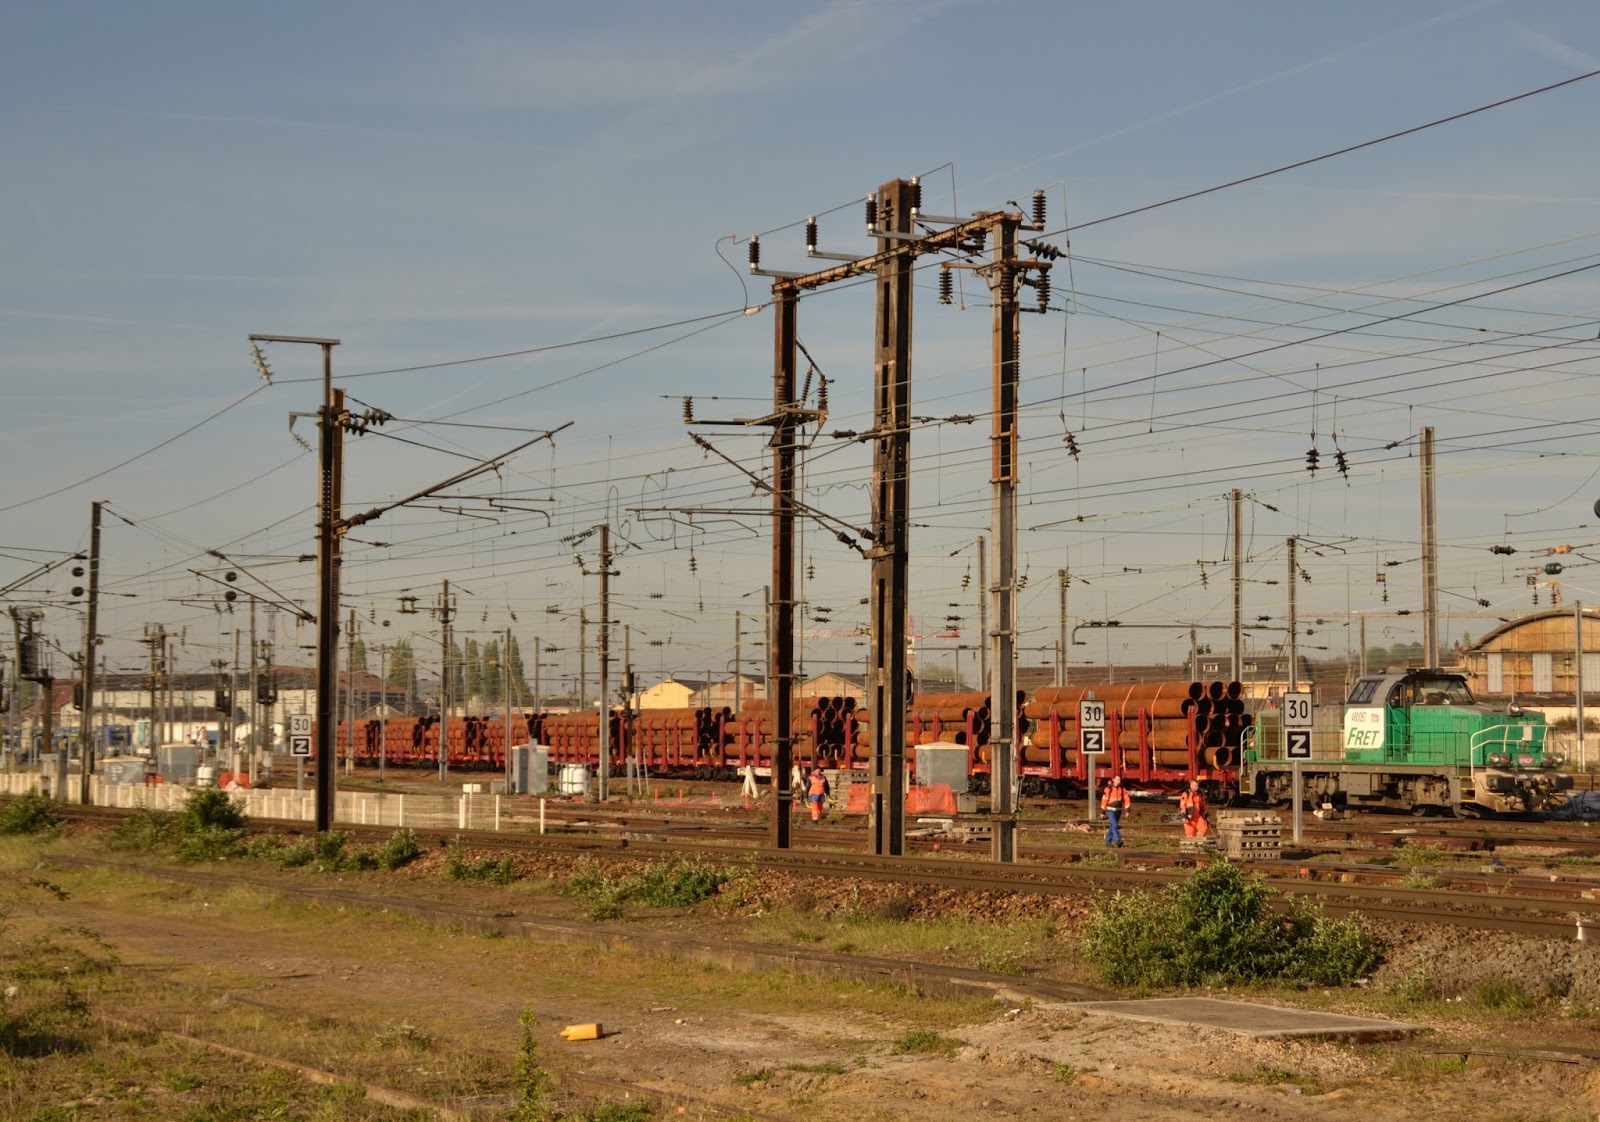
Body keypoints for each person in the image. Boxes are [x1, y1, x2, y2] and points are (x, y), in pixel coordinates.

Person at [1101, 775, 1131, 848]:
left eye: (1119, 780)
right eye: (1117, 779)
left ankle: (1108, 842)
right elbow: (1104, 800)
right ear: (1113, 780)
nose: (1119, 781)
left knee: (1112, 826)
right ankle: (1118, 840)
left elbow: (1126, 799)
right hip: (1110, 810)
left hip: (1118, 810)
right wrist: (1102, 812)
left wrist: (1127, 810)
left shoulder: (1122, 789)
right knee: (1115, 825)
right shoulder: (1108, 789)